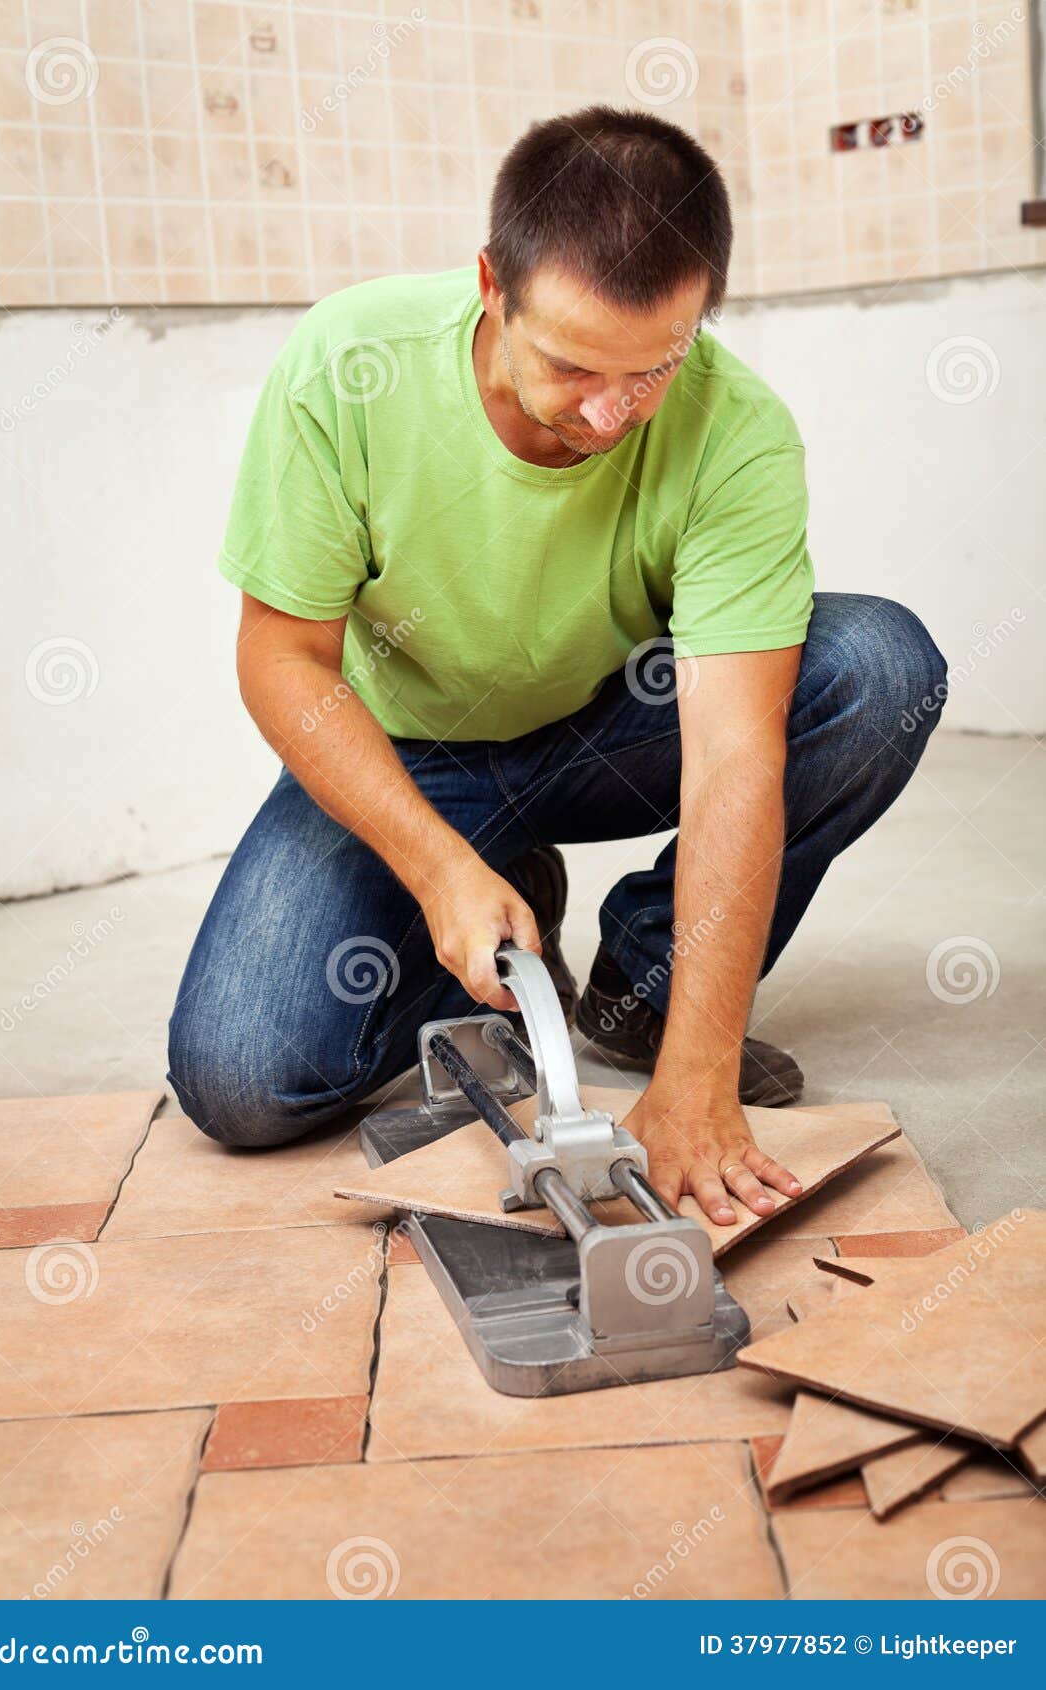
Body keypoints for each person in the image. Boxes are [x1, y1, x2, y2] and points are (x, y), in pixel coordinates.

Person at [168, 105, 946, 1226]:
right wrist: (435, 870)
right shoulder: (351, 364)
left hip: (610, 725)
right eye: (572, 363)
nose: (609, 411)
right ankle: (501, 884)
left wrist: (695, 1076)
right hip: (409, 753)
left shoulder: (737, 433)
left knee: (876, 664)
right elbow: (282, 658)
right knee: (242, 1083)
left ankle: (644, 985)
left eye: (652, 368)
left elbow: (733, 754)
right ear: (491, 285)